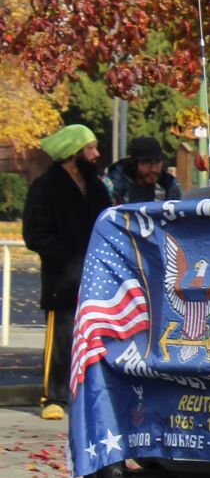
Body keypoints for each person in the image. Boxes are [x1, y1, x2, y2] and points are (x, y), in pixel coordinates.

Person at [21, 124, 111, 420]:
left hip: (95, 278)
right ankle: (53, 397)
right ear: (74, 152)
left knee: (95, 338)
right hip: (62, 278)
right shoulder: (46, 186)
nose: (96, 154)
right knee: (60, 339)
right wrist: (67, 259)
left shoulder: (96, 186)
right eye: (90, 148)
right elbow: (35, 233)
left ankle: (85, 394)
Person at [104, 135, 183, 204]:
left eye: (157, 162)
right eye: (147, 162)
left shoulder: (169, 185)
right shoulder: (115, 184)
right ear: (134, 164)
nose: (153, 169)